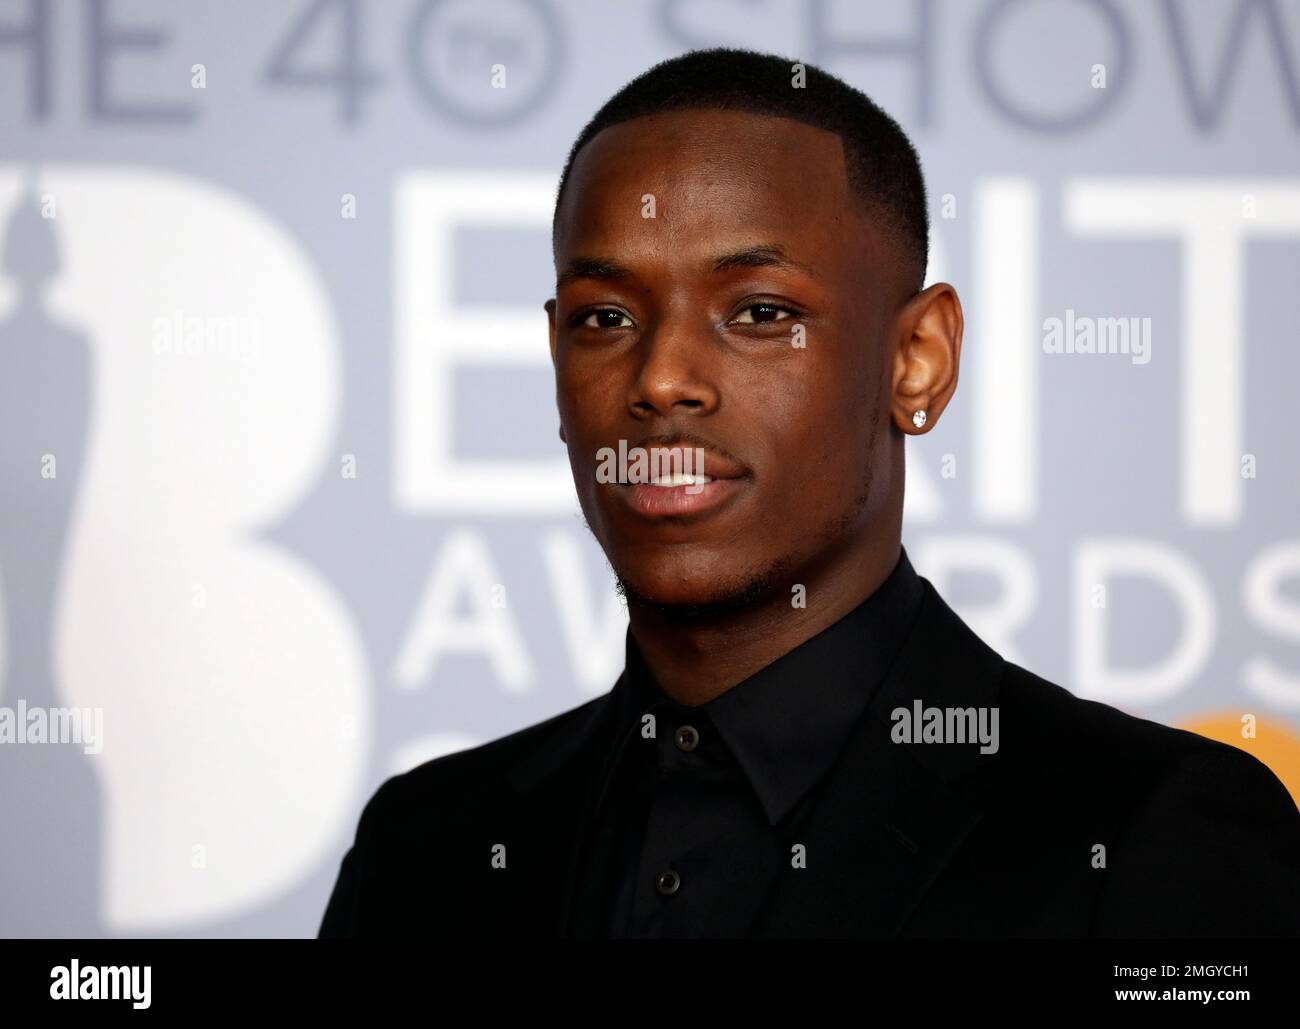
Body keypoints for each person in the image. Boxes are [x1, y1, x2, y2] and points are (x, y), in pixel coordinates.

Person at [319, 47, 1300, 938]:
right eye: (606, 315)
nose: (661, 378)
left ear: (915, 362)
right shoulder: (426, 847)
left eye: (759, 312)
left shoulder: (1147, 832)